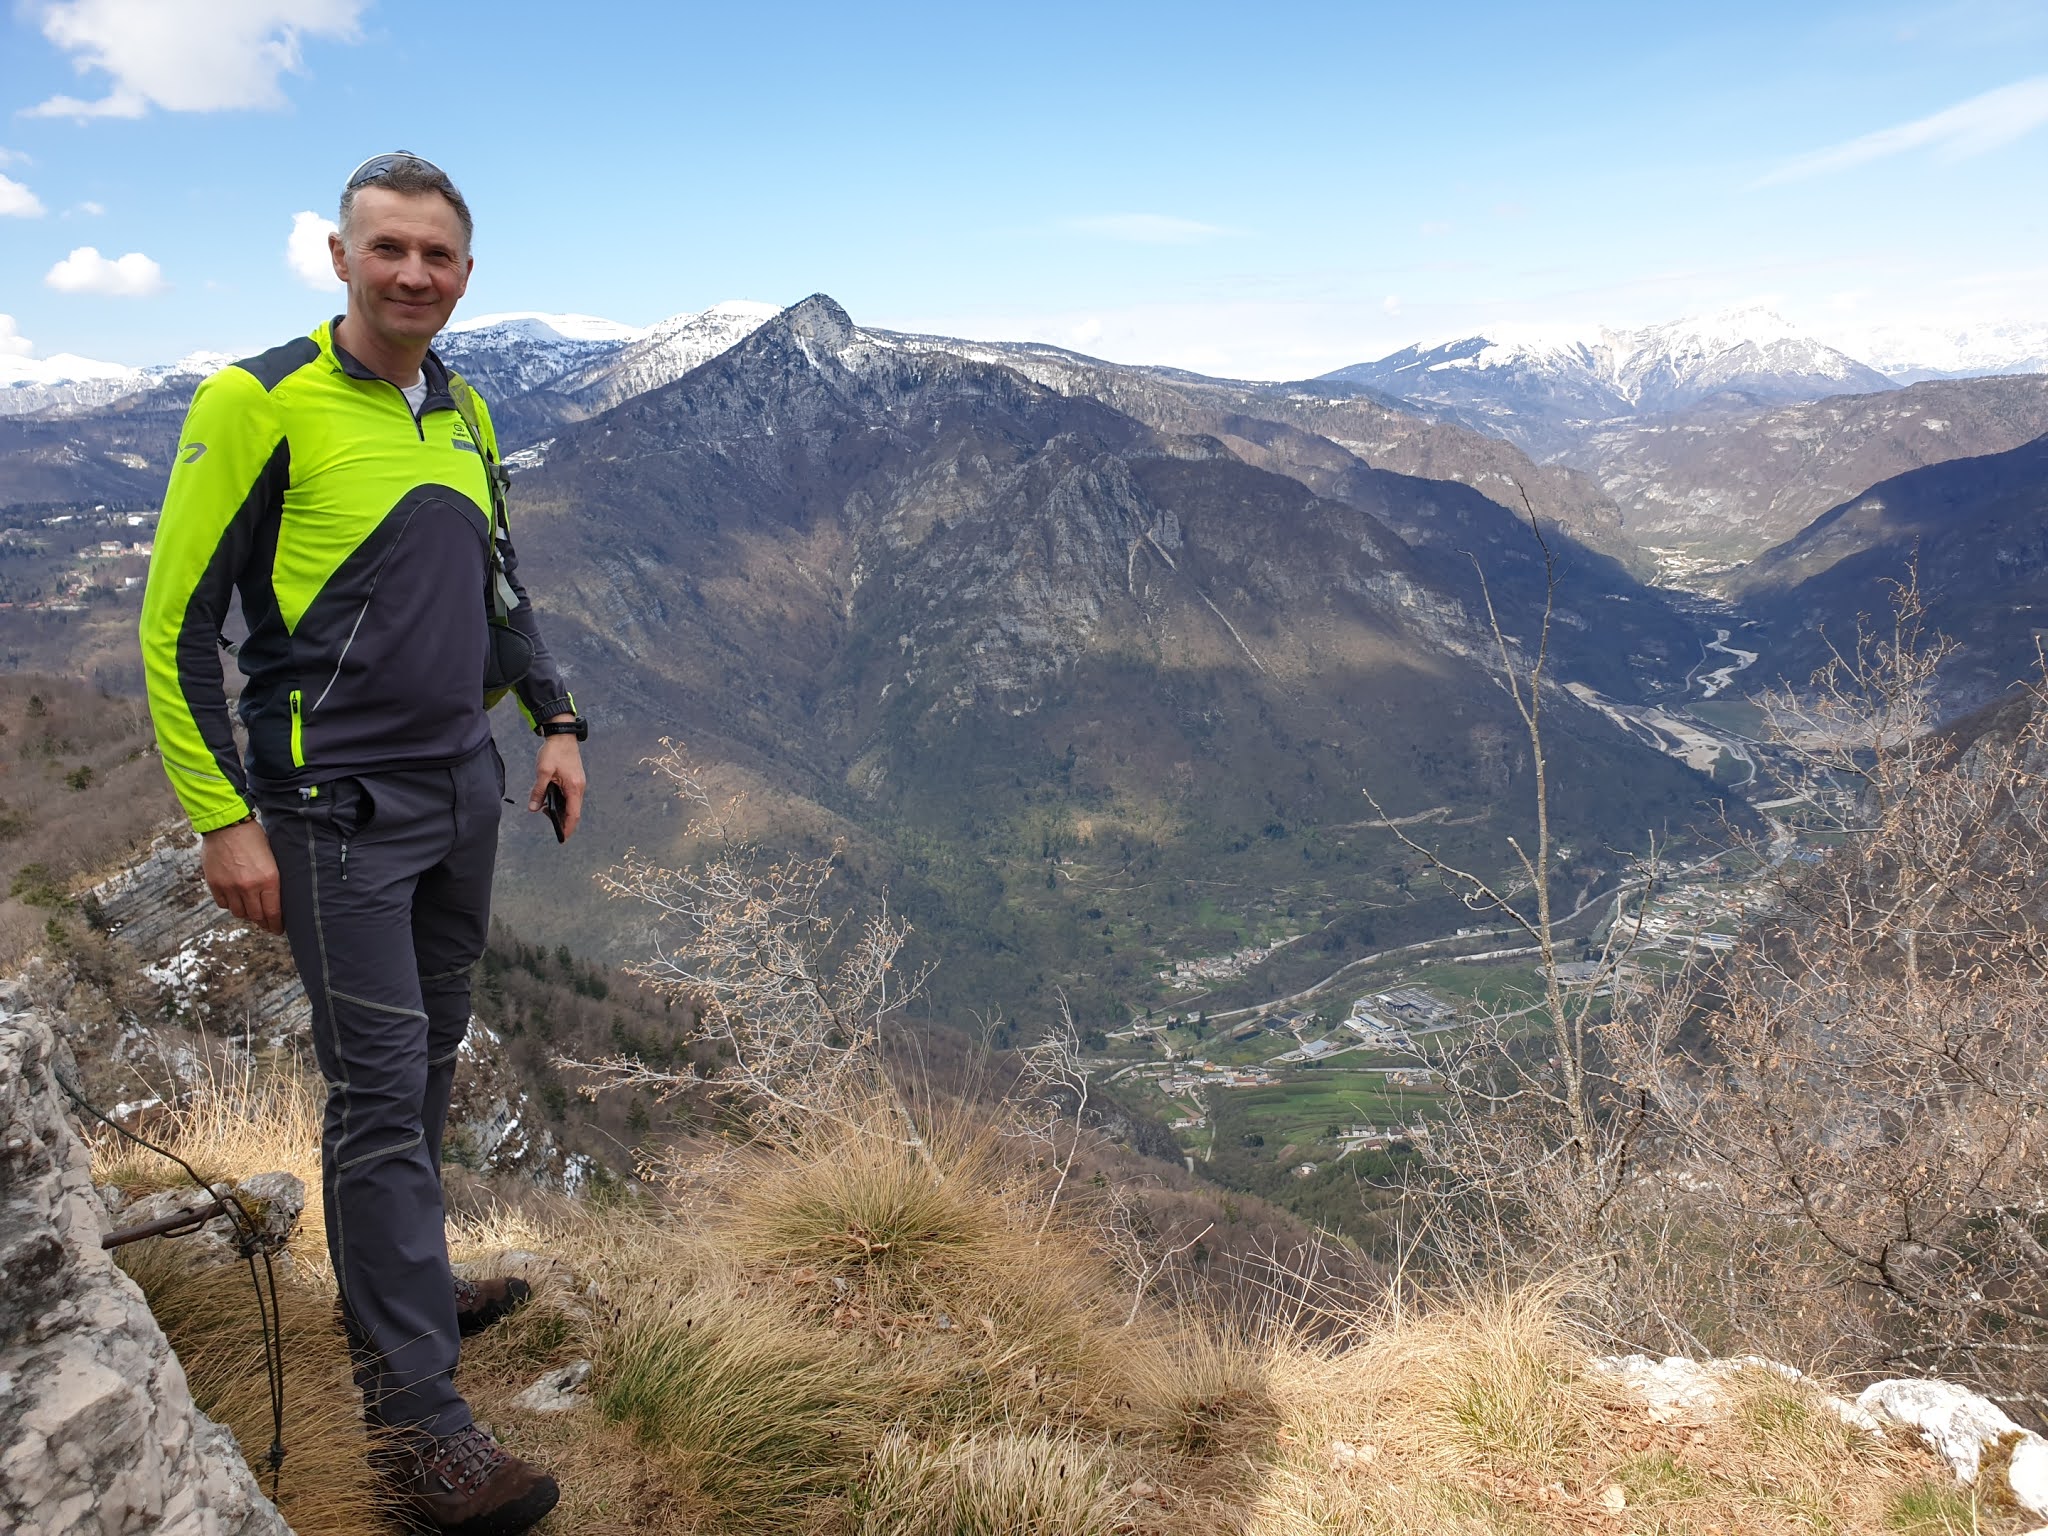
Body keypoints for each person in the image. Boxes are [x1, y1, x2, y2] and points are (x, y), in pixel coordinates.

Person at [139, 151, 584, 1536]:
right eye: (385, 249)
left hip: (464, 790)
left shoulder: (466, 406)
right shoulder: (256, 401)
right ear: (339, 259)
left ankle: (405, 1279)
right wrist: (223, 818)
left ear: (465, 275)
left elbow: (498, 583)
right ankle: (415, 1434)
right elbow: (173, 630)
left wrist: (556, 718)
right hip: (335, 819)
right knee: (380, 1097)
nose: (411, 275)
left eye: (436, 256)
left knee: (426, 1066)